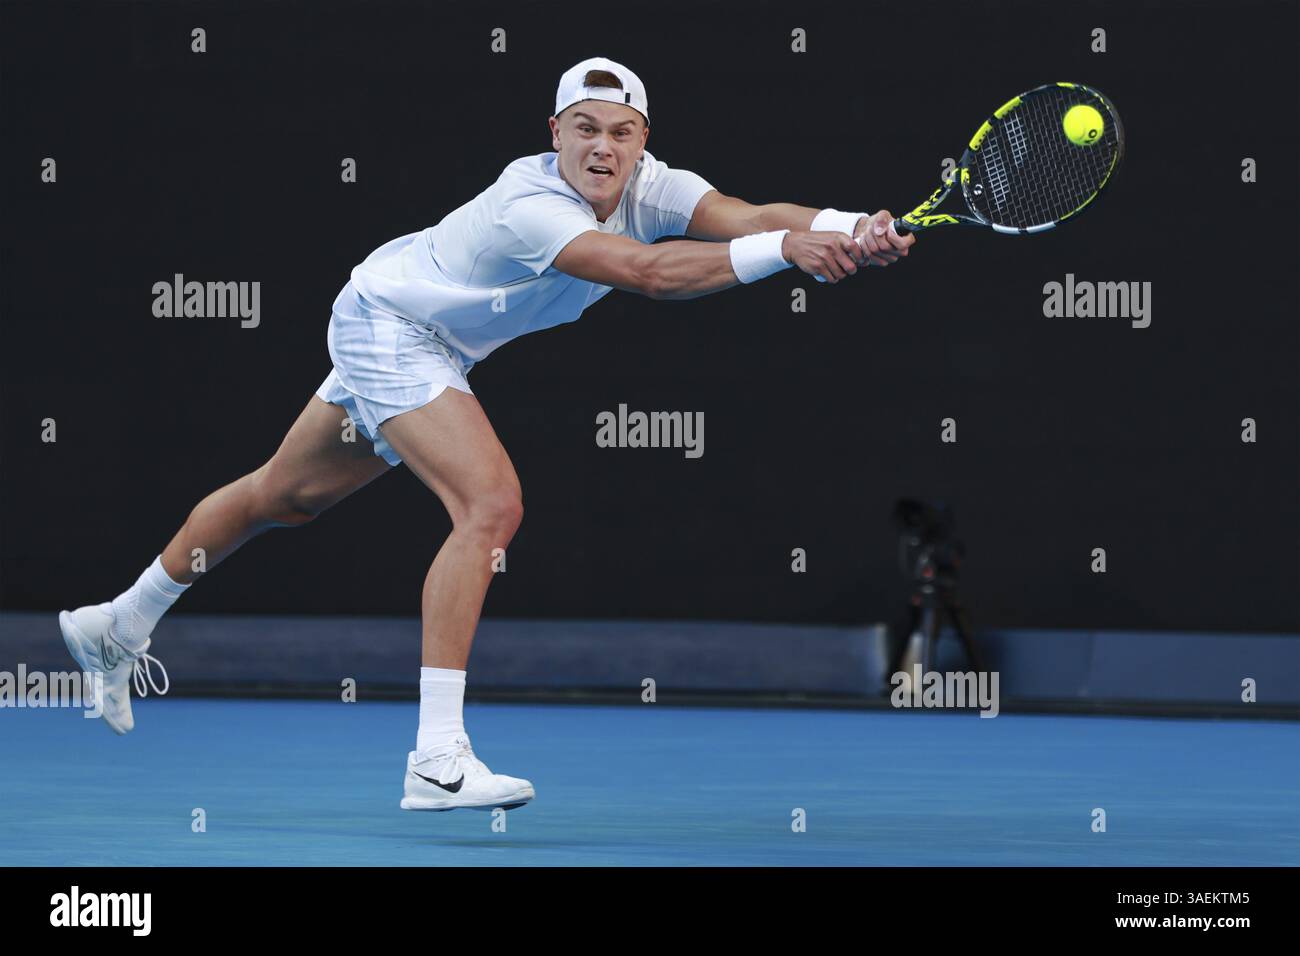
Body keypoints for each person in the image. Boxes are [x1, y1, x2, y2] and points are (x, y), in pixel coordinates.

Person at [59, 56, 915, 813]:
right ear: (556, 132)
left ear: (642, 139)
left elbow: (753, 210)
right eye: (584, 129)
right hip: (390, 325)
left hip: (420, 332)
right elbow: (648, 274)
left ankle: (118, 621)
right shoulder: (529, 201)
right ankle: (435, 758)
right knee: (490, 505)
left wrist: (846, 229)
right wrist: (787, 254)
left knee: (282, 498)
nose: (602, 148)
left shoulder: (654, 185)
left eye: (621, 132)